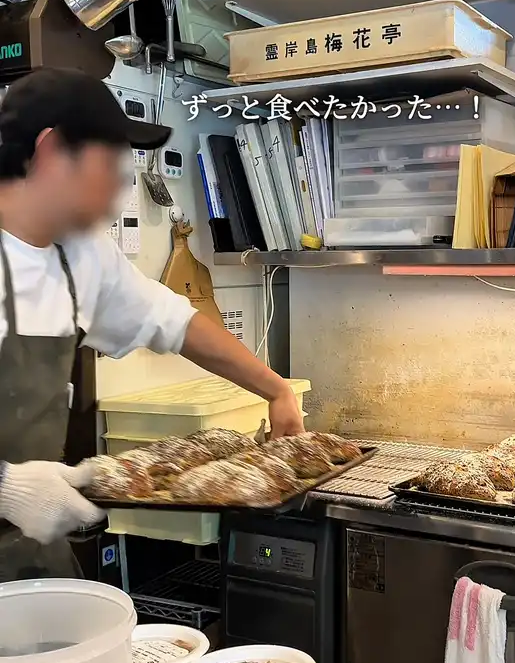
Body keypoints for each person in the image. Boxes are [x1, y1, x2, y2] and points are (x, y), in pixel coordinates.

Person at [0, 67, 304, 581]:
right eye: (109, 165)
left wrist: (276, 390)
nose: (119, 190)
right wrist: (7, 487)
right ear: (51, 152)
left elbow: (177, 322)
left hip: (31, 553)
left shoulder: (81, 255)